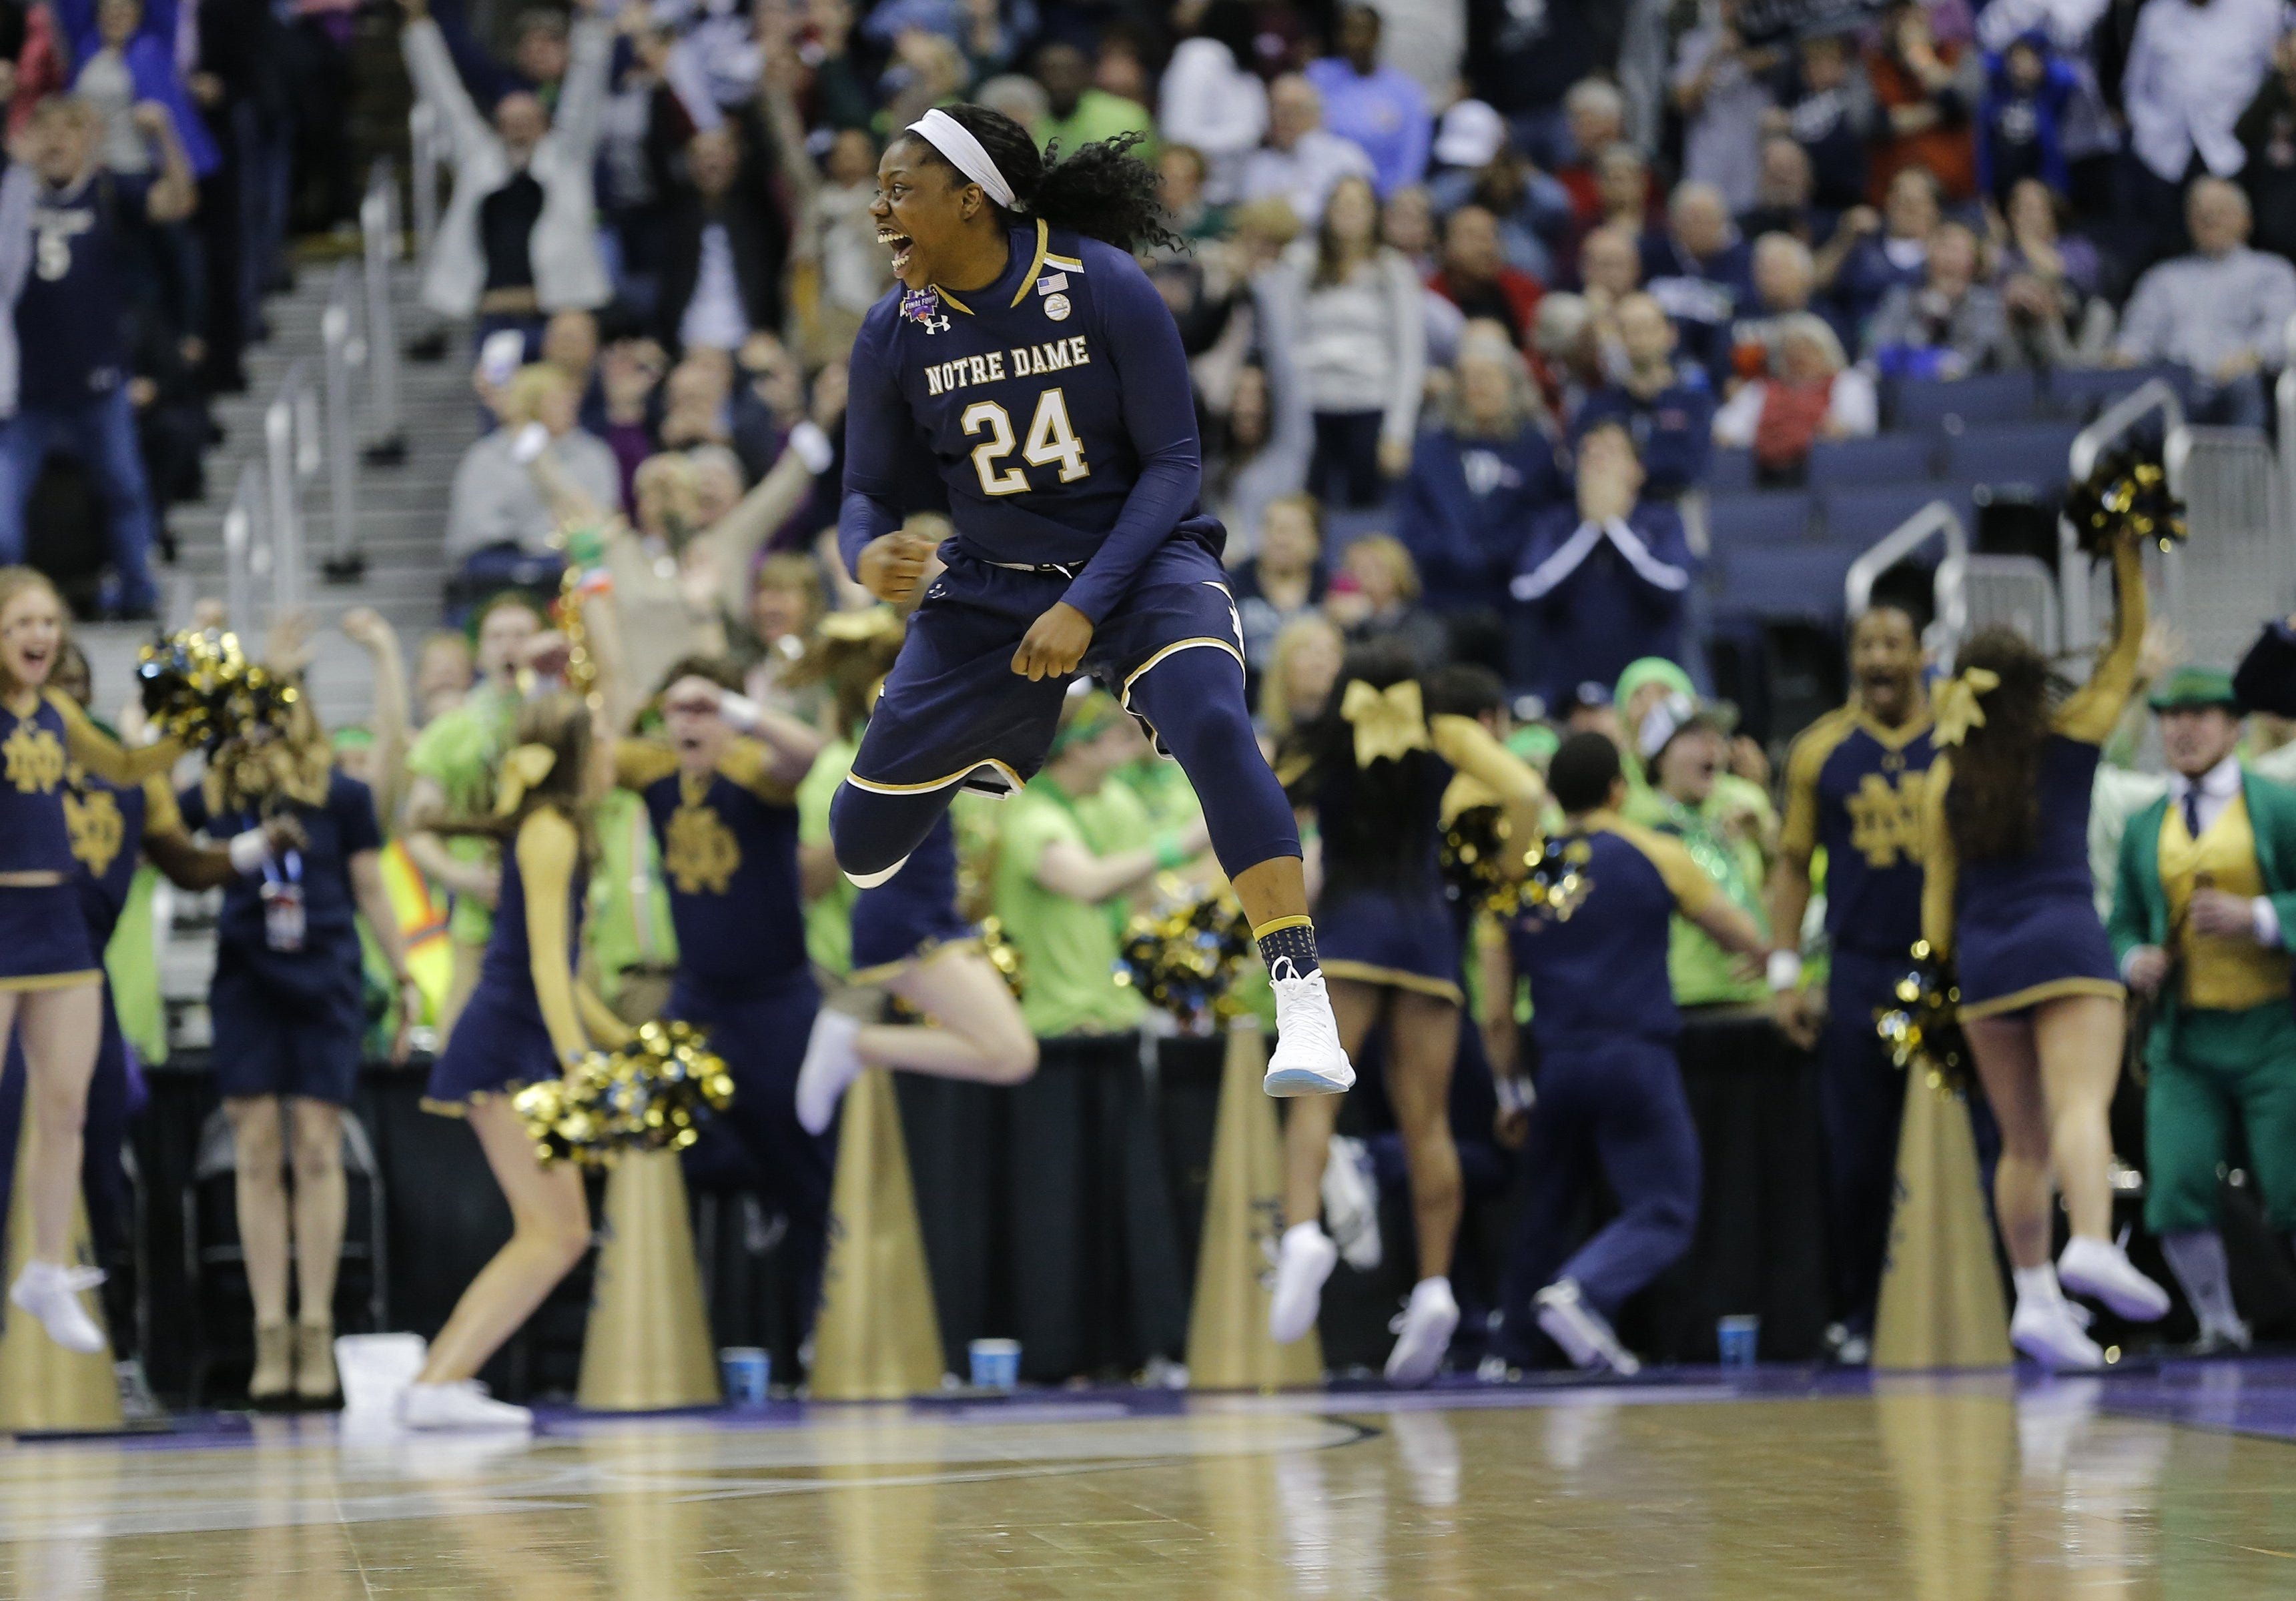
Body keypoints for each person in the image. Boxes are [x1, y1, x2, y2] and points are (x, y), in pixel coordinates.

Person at [831, 103, 1354, 1098]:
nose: (878, 206)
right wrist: (865, 555)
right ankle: (987, 747)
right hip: (989, 590)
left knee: (1211, 717)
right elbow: (862, 491)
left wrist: (1086, 605)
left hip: (1144, 562)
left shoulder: (1102, 283)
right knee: (859, 850)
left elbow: (1174, 465)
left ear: (971, 201)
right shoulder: (893, 329)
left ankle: (1301, 998)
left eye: (901, 189)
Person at [1919, 524, 2172, 1370]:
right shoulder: (2070, 739)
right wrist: (2127, 556)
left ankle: (2033, 1298)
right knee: (2079, 1110)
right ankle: (2093, 1241)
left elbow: (1936, 901)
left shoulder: (1944, 775)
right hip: (2066, 947)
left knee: (2021, 1145)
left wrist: (1934, 987)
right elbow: (2127, 646)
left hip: (1987, 967)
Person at [1268, 642, 1547, 1386]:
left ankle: (1301, 1235)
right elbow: (1523, 792)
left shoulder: (1326, 738)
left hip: (1352, 934)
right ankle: (1432, 1289)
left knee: (1316, 1096)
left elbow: (1256, 802)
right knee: (1427, 1124)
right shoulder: (1445, 731)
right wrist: (1507, 874)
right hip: (1427, 941)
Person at [1487, 730, 1768, 1374]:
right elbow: (1736, 929)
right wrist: (1762, 960)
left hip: (1557, 1066)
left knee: (1545, 1208)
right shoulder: (1656, 852)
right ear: (1619, 789)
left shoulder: (1520, 874)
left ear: (1554, 795)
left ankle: (1506, 1353)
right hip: (1635, 1057)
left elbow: (1498, 1014)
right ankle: (1582, 1293)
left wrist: (1510, 1090)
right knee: (1666, 1205)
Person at [179, 687, 421, 1407]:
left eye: (277, 720)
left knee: (318, 1146)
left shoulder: (342, 797)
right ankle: (269, 1327)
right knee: (255, 1147)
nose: (265, 736)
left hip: (326, 978)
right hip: (248, 978)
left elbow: (373, 887)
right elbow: (157, 821)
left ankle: (315, 1323)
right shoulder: (223, 794)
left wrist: (405, 977)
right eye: (249, 724)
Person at [601, 656, 843, 1342]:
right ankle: (670, 1331)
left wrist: (736, 711)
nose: (690, 723)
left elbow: (808, 751)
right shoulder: (655, 775)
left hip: (777, 1001)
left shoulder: (754, 774)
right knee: (658, 1140)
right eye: (679, 710)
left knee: (806, 1172)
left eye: (703, 709)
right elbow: (590, 760)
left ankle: (815, 1334)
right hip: (699, 1000)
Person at [409, 691, 630, 1428]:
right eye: (598, 740)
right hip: (506, 1043)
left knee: (556, 1232)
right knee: (555, 1232)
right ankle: (436, 1385)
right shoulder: (550, 830)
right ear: (572, 754)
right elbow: (542, 967)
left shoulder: (553, 827)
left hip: (520, 1039)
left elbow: (562, 972)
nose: (611, 753)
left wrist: (624, 1043)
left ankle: (441, 1380)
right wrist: (580, 1063)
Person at [0, 568, 185, 1352]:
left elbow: (125, 771)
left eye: (49, 623)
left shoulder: (59, 711)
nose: (39, 637)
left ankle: (45, 1267)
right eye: (21, 625)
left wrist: (185, 733)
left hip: (61, 920)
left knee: (67, 1107)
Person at [779, 610, 1038, 1133]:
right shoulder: (907, 707)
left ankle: (854, 1043)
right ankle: (853, 1040)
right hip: (908, 918)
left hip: (926, 913)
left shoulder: (920, 706)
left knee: (1010, 1055)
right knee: (1010, 1055)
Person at [2109, 666, 2296, 1353]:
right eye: (2170, 717)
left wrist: (2264, 917)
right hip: (2185, 1039)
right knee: (2178, 1180)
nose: (2183, 729)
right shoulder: (2144, 826)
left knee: (2291, 1179)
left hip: (2274, 1027)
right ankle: (2219, 1321)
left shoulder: (2277, 806)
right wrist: (2134, 960)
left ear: (2235, 726)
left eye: (2200, 715)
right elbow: (2122, 920)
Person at [1769, 602, 1939, 1358]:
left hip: (1944, 973)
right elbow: (1791, 866)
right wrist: (1784, 974)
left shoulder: (1957, 744)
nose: (1878, 658)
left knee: (1960, 1147)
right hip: (1859, 968)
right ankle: (1860, 1315)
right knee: (1858, 1154)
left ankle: (1965, 1304)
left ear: (1921, 654)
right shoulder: (1820, 750)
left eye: (1892, 644)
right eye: (1866, 644)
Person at [0, 94, 195, 619]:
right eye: (47, 130)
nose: (58, 141)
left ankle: (138, 595)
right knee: (2, 519)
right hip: (26, 396)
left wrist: (165, 136)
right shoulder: (13, 197)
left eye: (69, 130)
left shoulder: (108, 192)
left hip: (98, 387)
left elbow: (177, 202)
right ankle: (9, 612)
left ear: (90, 139)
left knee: (127, 493)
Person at [400, 0, 613, 346]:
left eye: (527, 122)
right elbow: (443, 96)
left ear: (545, 126)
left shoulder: (566, 160)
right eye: (509, 124)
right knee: (495, 396)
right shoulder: (479, 162)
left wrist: (589, 19)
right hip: (496, 319)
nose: (518, 131)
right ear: (496, 127)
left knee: (559, 398)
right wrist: (417, 22)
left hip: (557, 317)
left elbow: (586, 91)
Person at [402, 593, 548, 1045]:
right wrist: (461, 877)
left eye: (521, 635)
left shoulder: (561, 718)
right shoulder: (452, 730)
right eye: (497, 637)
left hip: (559, 921)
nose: (509, 647)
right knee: (461, 1061)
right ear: (480, 653)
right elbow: (417, 828)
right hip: (477, 926)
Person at [1396, 332, 1568, 668]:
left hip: (1515, 600)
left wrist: (1493, 554)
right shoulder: (1432, 449)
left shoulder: (1535, 449)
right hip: (1439, 598)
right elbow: (1413, 523)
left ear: (1513, 383)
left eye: (1488, 376)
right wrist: (1453, 554)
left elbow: (1546, 522)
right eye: (1468, 378)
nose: (1478, 387)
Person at [1509, 422, 1694, 708]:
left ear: (1637, 471)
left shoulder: (1663, 521)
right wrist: (1588, 530)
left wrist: (1614, 527)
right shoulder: (1554, 523)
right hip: (1564, 693)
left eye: (1611, 452)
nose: (1597, 461)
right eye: (1588, 453)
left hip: (1644, 694)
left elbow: (1673, 587)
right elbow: (1526, 591)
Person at [1284, 173, 1427, 508]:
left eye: (1358, 205)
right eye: (1341, 204)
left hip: (1370, 404)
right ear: (1327, 211)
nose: (1349, 213)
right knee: (1307, 510)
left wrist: (1398, 433)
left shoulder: (1393, 269)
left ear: (1374, 213)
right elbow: (1285, 342)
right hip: (1309, 406)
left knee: (1365, 515)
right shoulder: (1300, 264)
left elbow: (1410, 355)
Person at [2113, 179, 2296, 429]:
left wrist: (2252, 356)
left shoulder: (2272, 272)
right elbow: (2135, 341)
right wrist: (2120, 361)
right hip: (2170, 387)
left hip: (2234, 383)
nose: (2210, 218)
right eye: (2200, 212)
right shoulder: (2163, 277)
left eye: (2221, 210)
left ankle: (2239, 468)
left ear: (2246, 220)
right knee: (2119, 395)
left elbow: (2283, 333)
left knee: (2245, 387)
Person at [2121, 0, 2286, 270]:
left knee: (2239, 246)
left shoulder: (2260, 9)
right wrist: (2149, 132)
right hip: (2166, 155)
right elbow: (2135, 87)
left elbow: (2277, 72)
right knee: (2166, 249)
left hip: (2234, 150)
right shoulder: (2157, 13)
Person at [1573, 292, 1715, 500]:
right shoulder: (1597, 406)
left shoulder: (1695, 402)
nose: (1639, 338)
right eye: (1628, 329)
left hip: (1675, 504)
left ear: (1671, 334)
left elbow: (1693, 467)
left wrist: (1632, 471)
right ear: (1617, 338)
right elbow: (1575, 470)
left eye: (1647, 327)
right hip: (1609, 505)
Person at [1711, 314, 1878, 483]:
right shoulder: (1760, 390)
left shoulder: (1849, 383)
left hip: (1827, 474)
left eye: (1807, 349)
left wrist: (1836, 429)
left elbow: (1859, 426)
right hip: (1766, 475)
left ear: (1826, 351)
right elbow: (1725, 430)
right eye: (1791, 351)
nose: (1799, 358)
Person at [1302, 5, 1431, 199]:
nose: (1355, 40)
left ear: (1377, 34)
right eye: (1348, 30)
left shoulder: (1406, 92)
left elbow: (1412, 157)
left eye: (1363, 31)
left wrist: (1392, 199)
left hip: (1383, 197)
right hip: (1320, 191)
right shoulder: (1318, 76)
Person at [1866, 221, 2017, 378]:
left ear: (1974, 261)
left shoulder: (1987, 303)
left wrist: (1952, 312)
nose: (1949, 258)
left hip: (1968, 393)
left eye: (1958, 250)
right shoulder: (1900, 298)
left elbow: (1987, 355)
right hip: (1905, 390)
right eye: (1943, 247)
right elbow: (1874, 351)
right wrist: (1926, 323)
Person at [1238, 74, 1376, 228]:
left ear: (1316, 114)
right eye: (1277, 110)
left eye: (1294, 111)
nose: (1283, 119)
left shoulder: (1347, 156)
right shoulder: (1259, 164)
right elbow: (1252, 218)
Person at [1230, 493, 1327, 695]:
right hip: (1247, 703)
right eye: (1271, 528)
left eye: (1291, 530)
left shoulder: (1332, 588)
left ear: (1316, 540)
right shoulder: (1231, 585)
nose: (1280, 539)